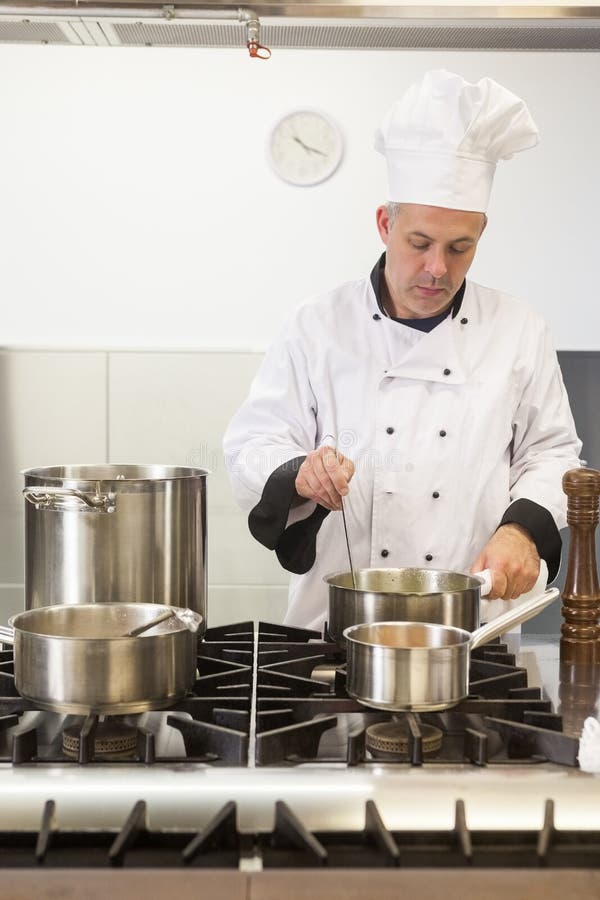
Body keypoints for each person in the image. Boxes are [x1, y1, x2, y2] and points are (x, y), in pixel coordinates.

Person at [223, 69, 581, 631]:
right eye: (420, 244)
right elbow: (250, 445)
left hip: (469, 635)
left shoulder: (519, 330)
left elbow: (554, 455)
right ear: (386, 224)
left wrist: (521, 528)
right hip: (332, 632)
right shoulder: (316, 326)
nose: (438, 269)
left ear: (481, 235)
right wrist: (299, 472)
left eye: (460, 248)